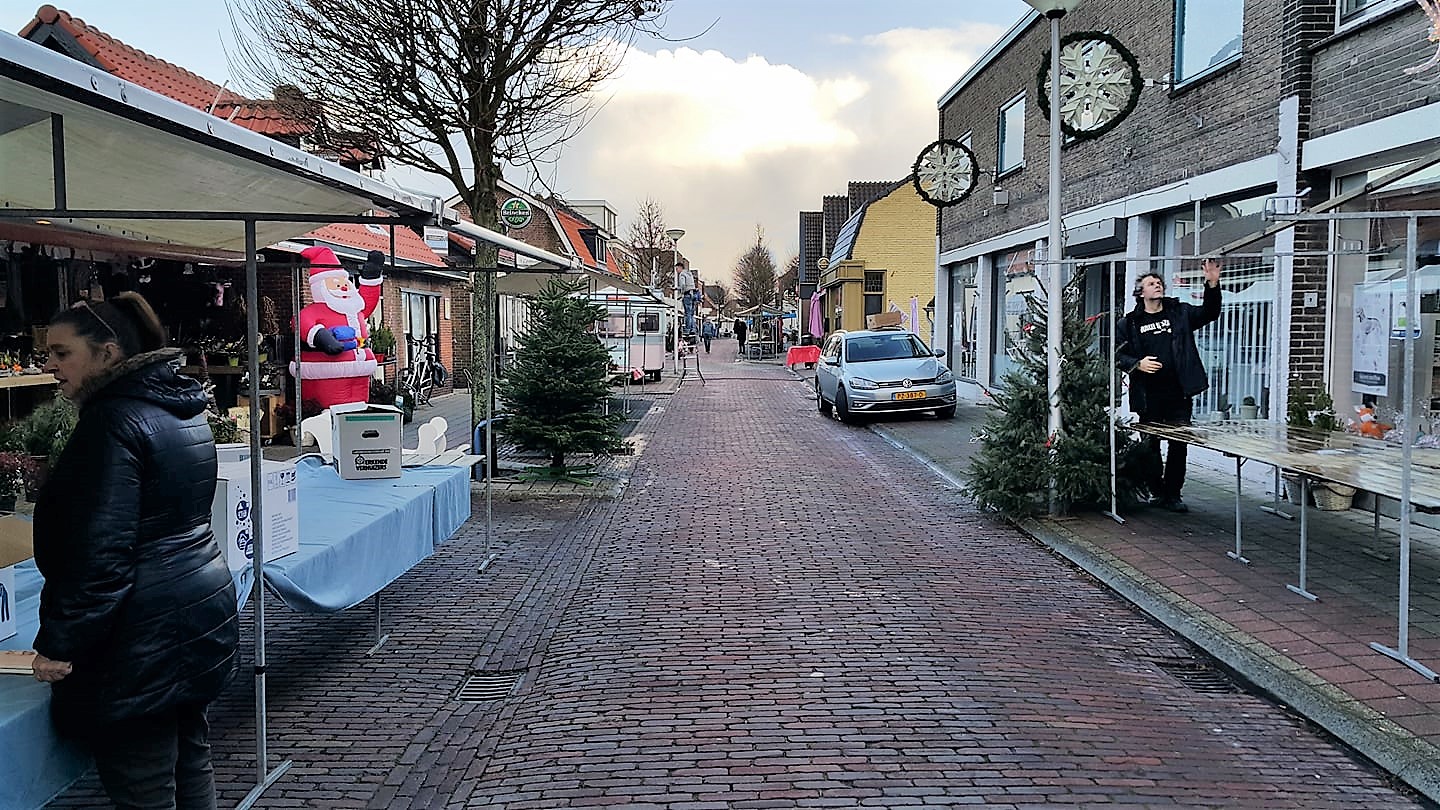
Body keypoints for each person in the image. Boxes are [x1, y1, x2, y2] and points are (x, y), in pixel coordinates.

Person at [31, 292, 239, 809]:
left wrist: (62, 642)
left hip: (140, 634)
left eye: (62, 353)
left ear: (106, 353)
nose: (50, 365)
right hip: (192, 608)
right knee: (189, 760)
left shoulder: (112, 423)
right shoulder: (179, 406)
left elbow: (99, 554)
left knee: (145, 782)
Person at [1115, 257, 1223, 513]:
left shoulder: (1180, 313)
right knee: (1150, 444)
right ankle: (1157, 491)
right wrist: (1137, 363)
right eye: (1151, 283)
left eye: (1159, 282)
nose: (1158, 286)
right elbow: (1117, 354)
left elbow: (1210, 313)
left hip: (1178, 391)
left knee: (1179, 444)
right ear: (1141, 293)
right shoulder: (1129, 323)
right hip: (1148, 394)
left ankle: (1173, 494)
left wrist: (1212, 283)